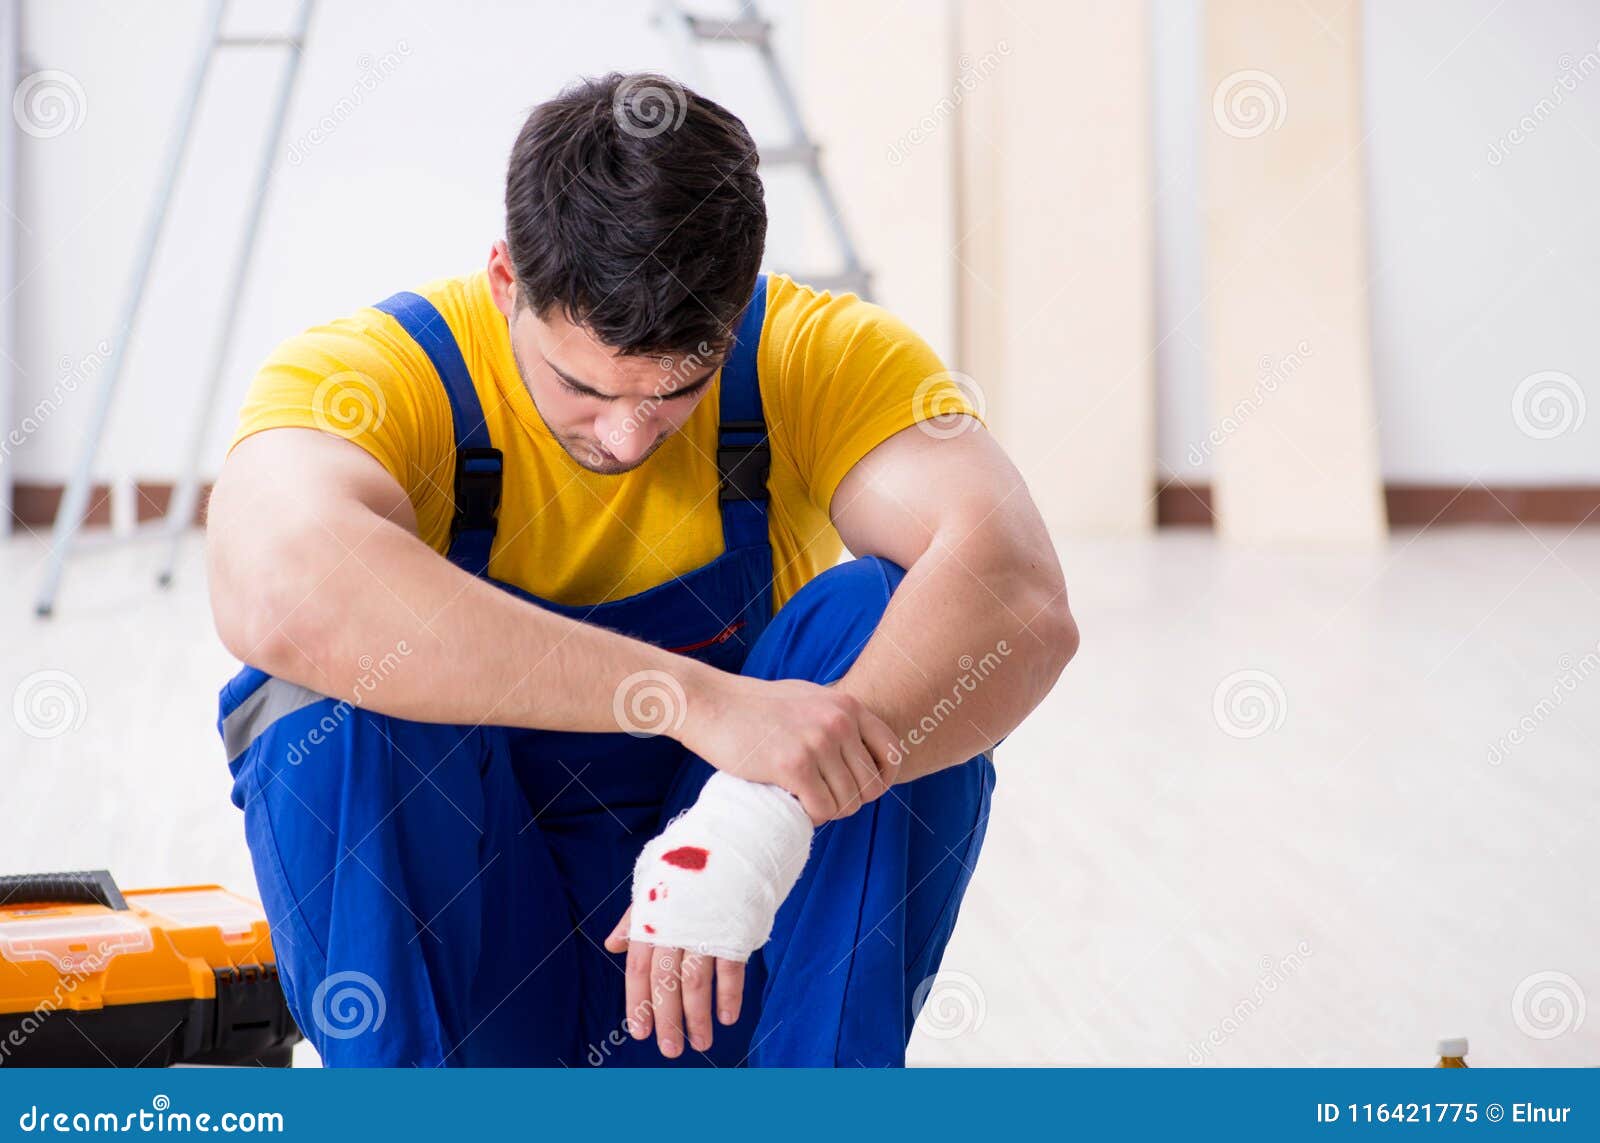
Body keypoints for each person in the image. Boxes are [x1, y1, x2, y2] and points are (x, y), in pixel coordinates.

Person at [206, 72, 1078, 1067]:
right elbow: (282, 590)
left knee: (885, 616)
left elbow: (1017, 593)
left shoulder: (815, 355)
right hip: (479, 989)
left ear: (734, 315)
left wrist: (757, 819)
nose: (625, 439)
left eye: (676, 391)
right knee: (318, 690)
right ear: (506, 282)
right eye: (582, 387)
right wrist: (692, 701)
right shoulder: (373, 374)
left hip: (725, 949)